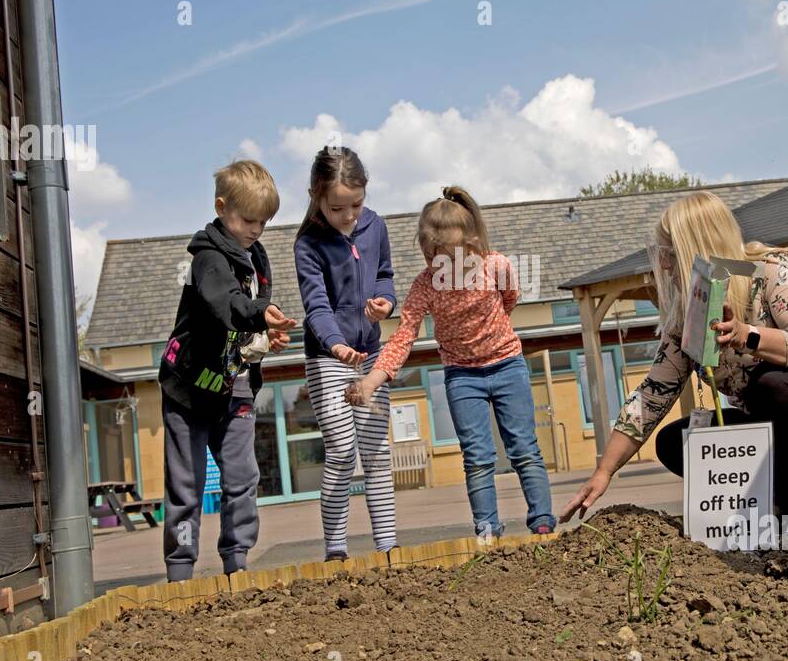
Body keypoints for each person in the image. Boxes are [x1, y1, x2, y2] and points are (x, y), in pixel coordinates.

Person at [561, 191, 788, 524]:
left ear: (694, 248)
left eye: (669, 253)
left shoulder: (771, 271)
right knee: (677, 443)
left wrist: (747, 334)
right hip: (780, 426)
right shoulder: (687, 317)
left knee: (772, 387)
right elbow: (651, 395)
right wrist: (604, 472)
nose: (662, 264)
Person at [347, 187, 557, 539]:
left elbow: (510, 301)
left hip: (507, 366)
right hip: (462, 377)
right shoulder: (425, 286)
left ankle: (542, 519)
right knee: (477, 455)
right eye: (432, 258)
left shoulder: (497, 266)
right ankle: (487, 527)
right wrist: (370, 382)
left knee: (523, 446)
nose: (440, 266)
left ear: (472, 245)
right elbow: (403, 337)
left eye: (450, 259)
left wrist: (490, 336)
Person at [158, 159, 296, 581]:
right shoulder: (208, 260)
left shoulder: (257, 258)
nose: (256, 229)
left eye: (264, 222)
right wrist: (258, 314)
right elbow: (225, 303)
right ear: (221, 208)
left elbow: (244, 325)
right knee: (187, 485)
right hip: (189, 390)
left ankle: (237, 562)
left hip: (234, 387)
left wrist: (264, 339)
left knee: (242, 476)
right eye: (249, 219)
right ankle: (180, 571)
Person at [294, 146, 400, 561]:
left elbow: (385, 277)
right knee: (341, 450)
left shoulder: (375, 227)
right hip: (328, 356)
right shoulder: (308, 243)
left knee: (375, 451)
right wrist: (335, 344)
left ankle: (387, 545)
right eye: (338, 208)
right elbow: (316, 303)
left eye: (356, 204)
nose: (350, 215)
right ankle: (336, 548)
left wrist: (384, 305)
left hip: (371, 354)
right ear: (316, 197)